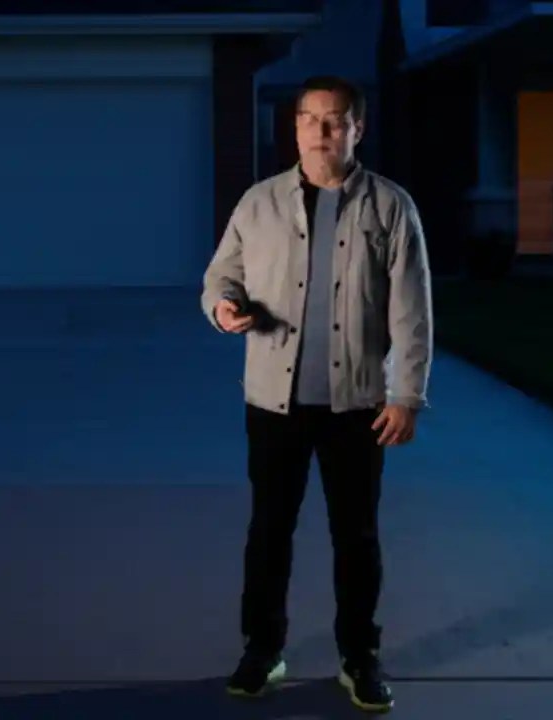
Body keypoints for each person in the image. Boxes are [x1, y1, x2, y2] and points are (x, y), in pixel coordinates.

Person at [201, 75, 433, 712]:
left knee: (355, 535)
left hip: (357, 405)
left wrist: (405, 394)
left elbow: (412, 312)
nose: (323, 132)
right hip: (273, 404)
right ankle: (262, 648)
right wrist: (223, 306)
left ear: (358, 128)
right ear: (295, 127)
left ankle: (360, 656)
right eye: (311, 119)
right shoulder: (259, 203)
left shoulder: (390, 207)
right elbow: (222, 273)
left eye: (336, 120)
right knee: (269, 529)